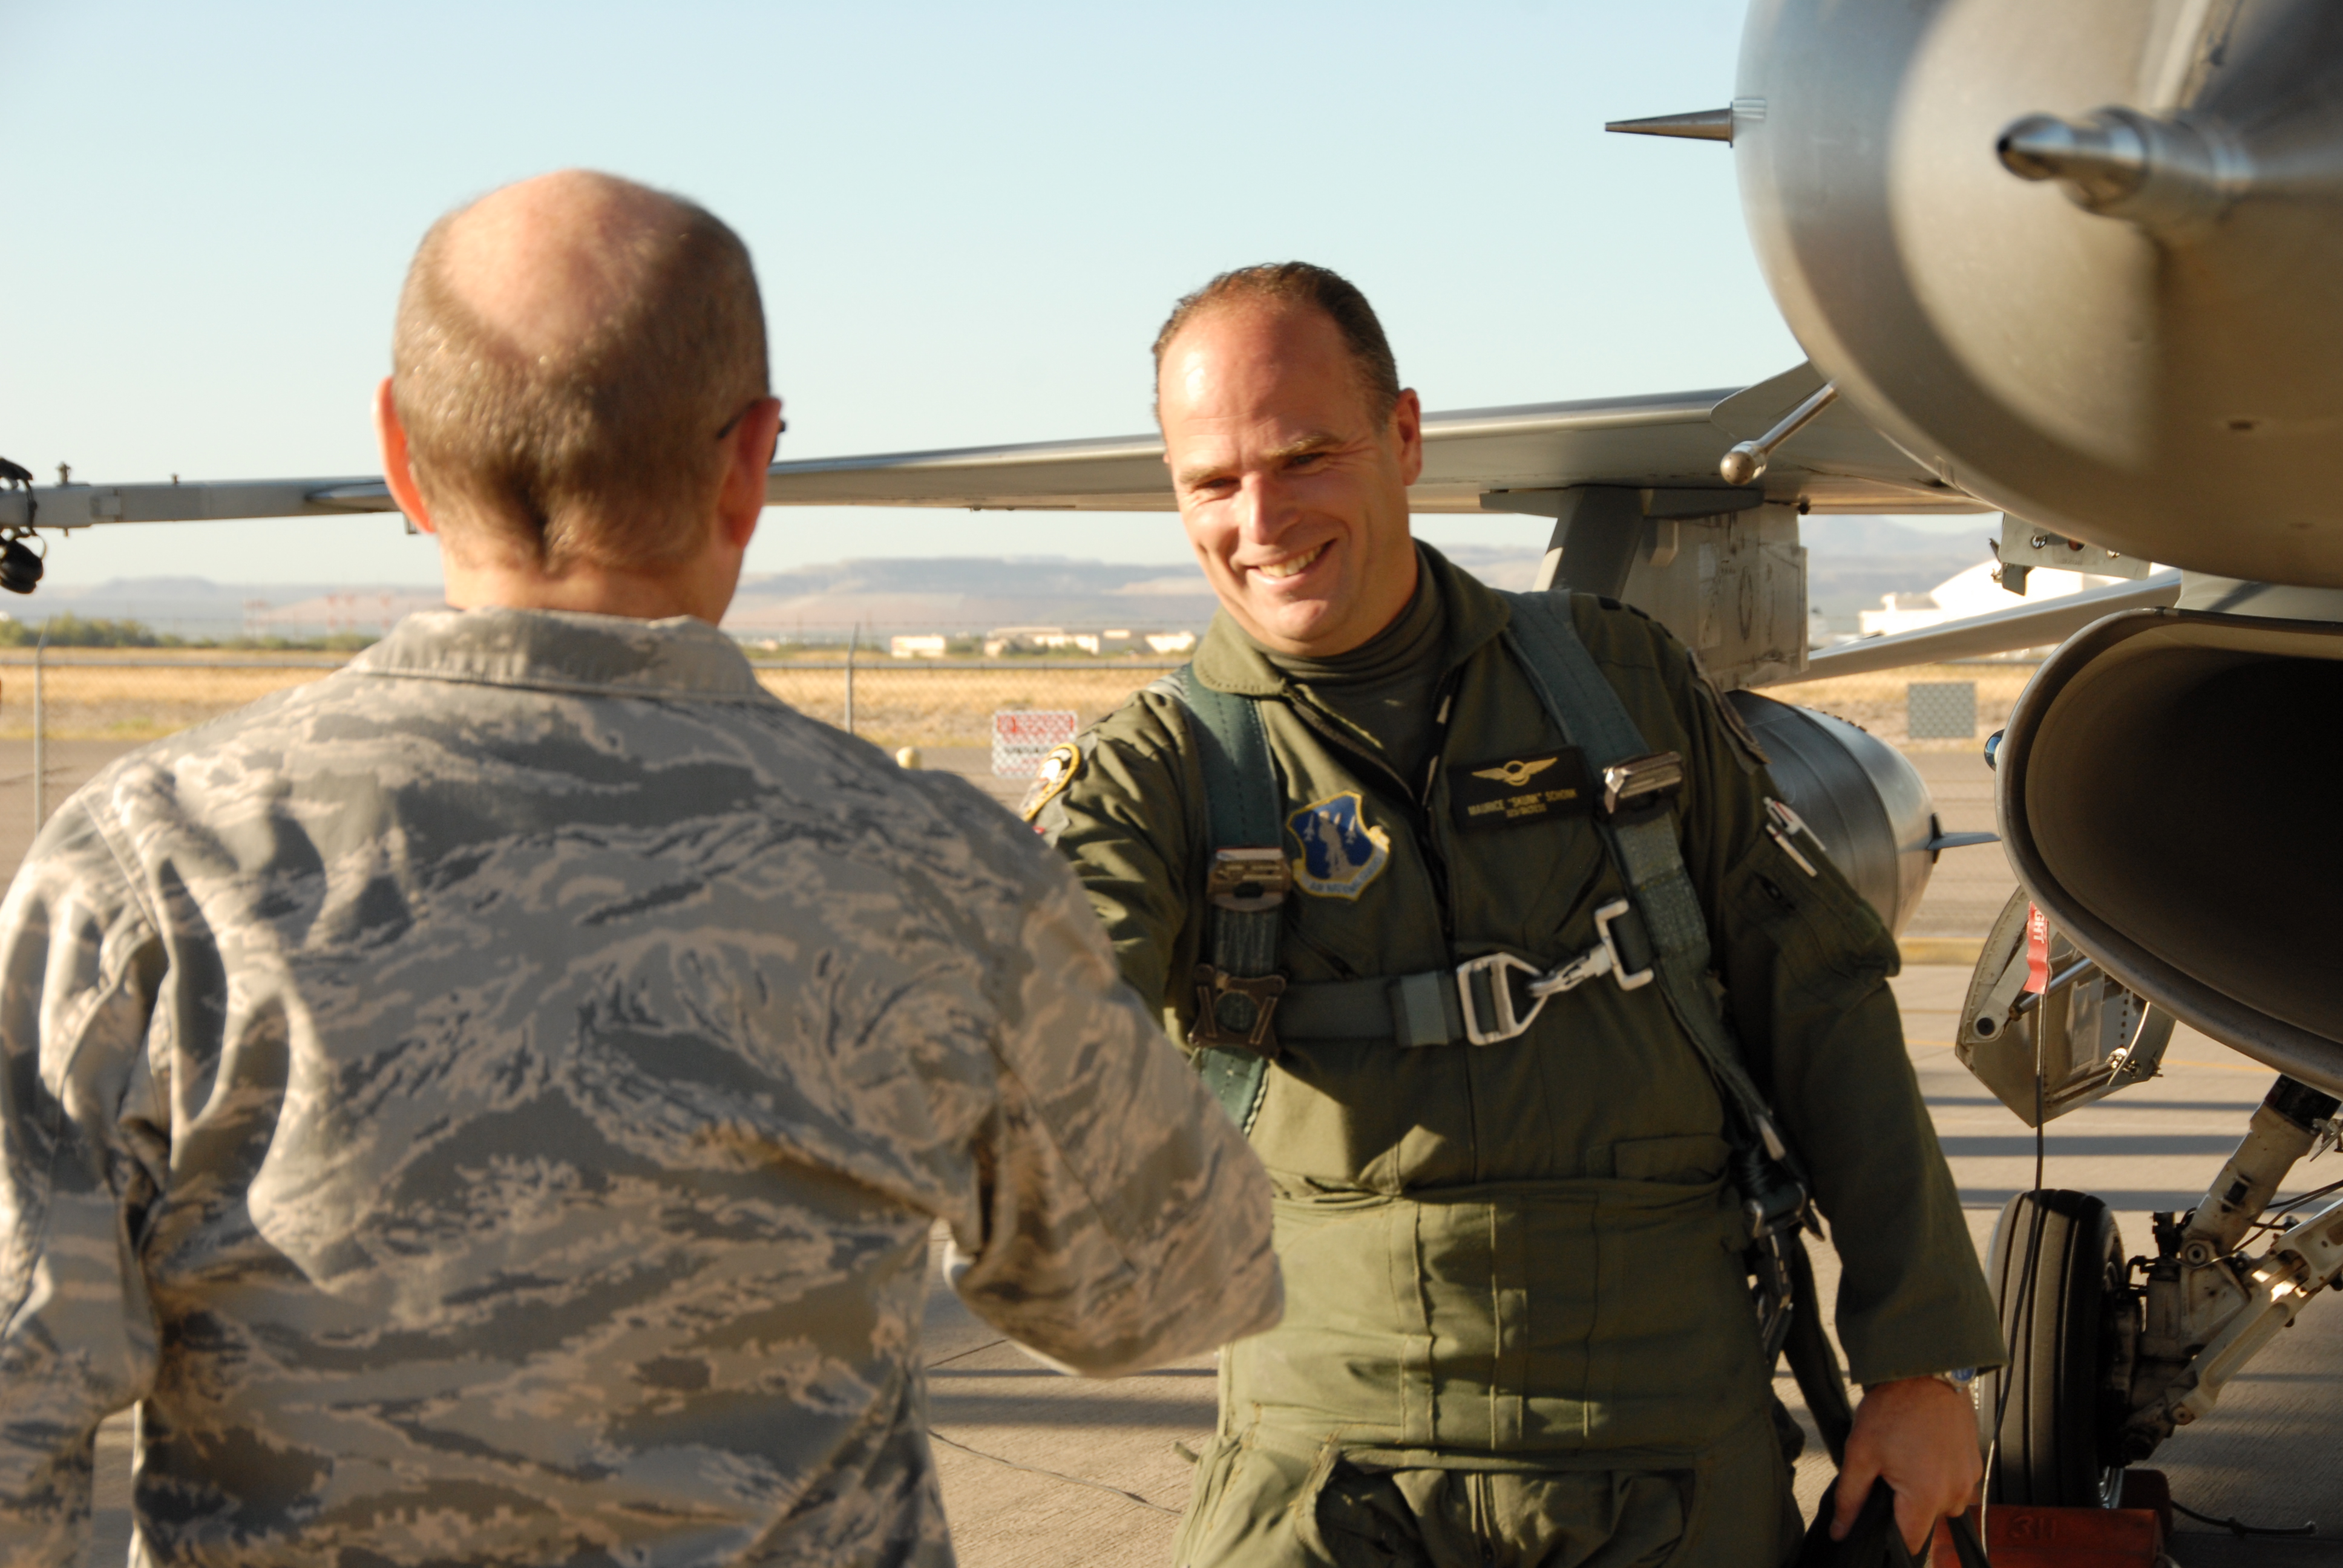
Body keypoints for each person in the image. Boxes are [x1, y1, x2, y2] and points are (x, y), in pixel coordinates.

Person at [0, 171, 1280, 1568]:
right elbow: (1165, 1285)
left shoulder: (147, 873)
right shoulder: (937, 877)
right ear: (751, 462)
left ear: (398, 453)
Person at [1023, 262, 2004, 1566]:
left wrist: (1919, 1361)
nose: (1261, 518)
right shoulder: (1157, 770)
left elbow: (1819, 995)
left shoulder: (1619, 690)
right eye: (1214, 481)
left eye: (1307, 457)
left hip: (1662, 1450)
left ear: (1404, 437)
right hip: (1330, 1462)